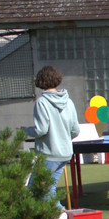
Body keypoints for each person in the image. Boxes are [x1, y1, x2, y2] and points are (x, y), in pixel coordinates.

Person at [29, 65, 80, 208]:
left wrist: (25, 131)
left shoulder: (41, 102)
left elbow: (41, 130)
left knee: (37, 189)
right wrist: (63, 139)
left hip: (49, 154)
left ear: (40, 81)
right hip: (65, 153)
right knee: (47, 189)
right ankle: (55, 218)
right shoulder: (69, 102)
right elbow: (75, 130)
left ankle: (59, 216)